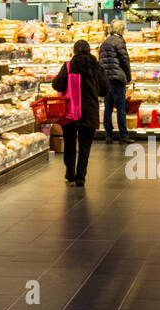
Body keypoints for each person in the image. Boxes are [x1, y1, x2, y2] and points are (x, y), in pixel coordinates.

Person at [51, 39, 101, 187]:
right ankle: (81, 177)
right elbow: (104, 89)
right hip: (90, 111)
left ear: (74, 51)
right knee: (85, 146)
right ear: (89, 50)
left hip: (71, 111)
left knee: (70, 143)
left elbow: (57, 85)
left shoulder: (68, 66)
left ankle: (70, 172)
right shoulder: (97, 66)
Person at [97, 18, 133, 144]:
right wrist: (128, 77)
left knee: (108, 107)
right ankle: (123, 135)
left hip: (106, 80)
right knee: (120, 107)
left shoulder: (104, 42)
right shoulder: (119, 42)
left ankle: (108, 135)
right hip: (117, 79)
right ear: (121, 30)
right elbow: (124, 61)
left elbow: (100, 62)